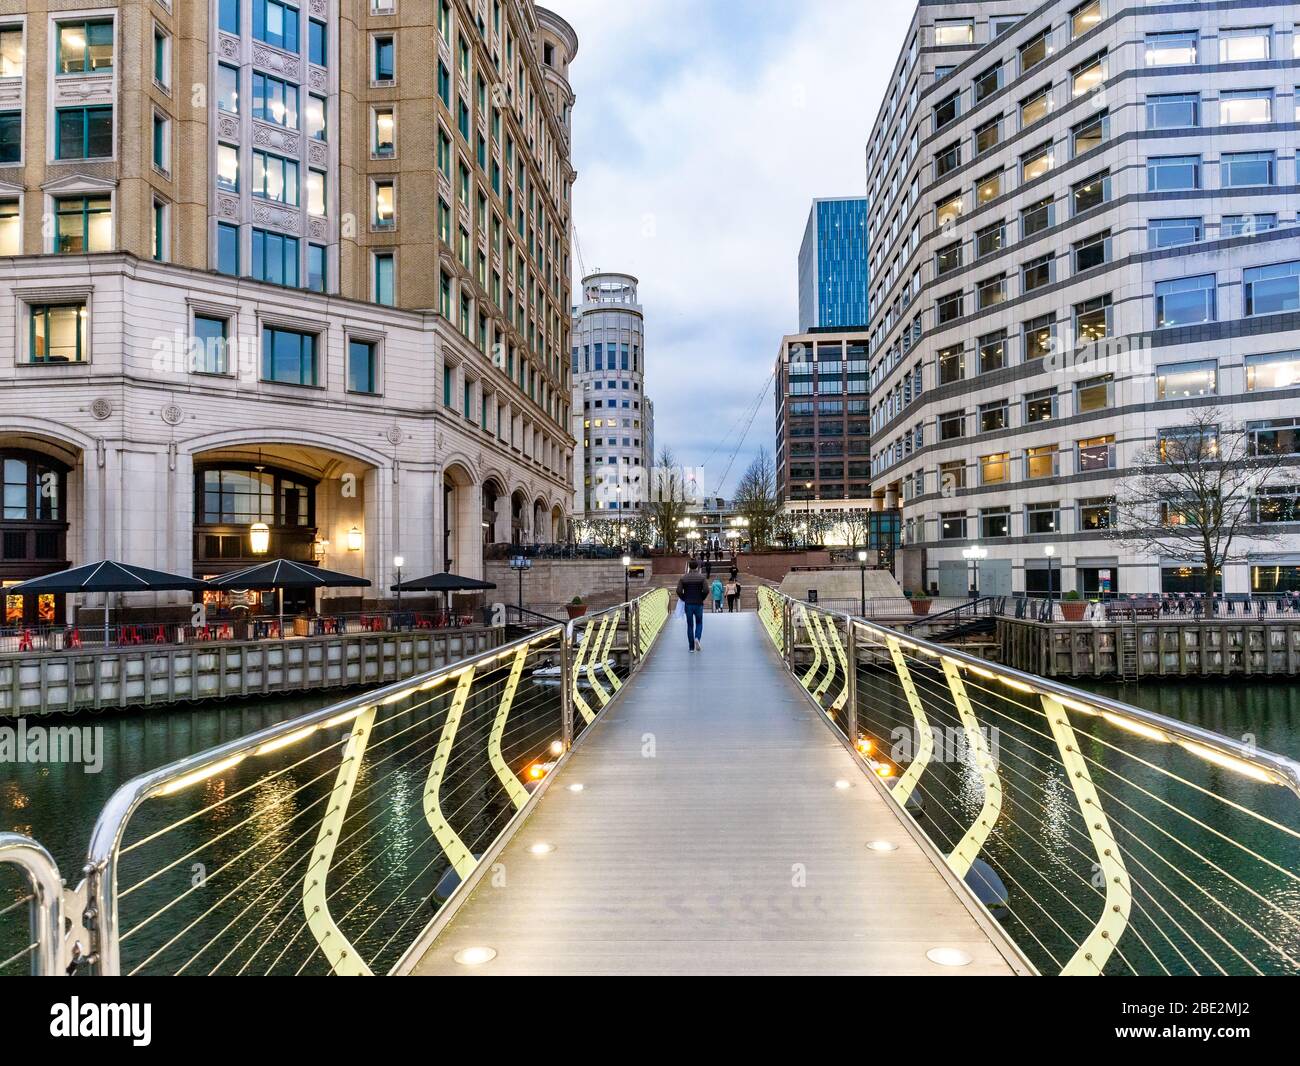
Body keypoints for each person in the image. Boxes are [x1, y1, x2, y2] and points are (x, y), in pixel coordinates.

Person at [676, 559, 709, 652]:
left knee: (690, 625)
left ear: (689, 567)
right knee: (699, 622)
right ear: (697, 567)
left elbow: (678, 591)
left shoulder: (683, 578)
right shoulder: (702, 578)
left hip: (688, 604)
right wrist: (702, 598)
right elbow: (706, 590)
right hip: (698, 603)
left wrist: (684, 598)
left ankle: (691, 647)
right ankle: (697, 638)